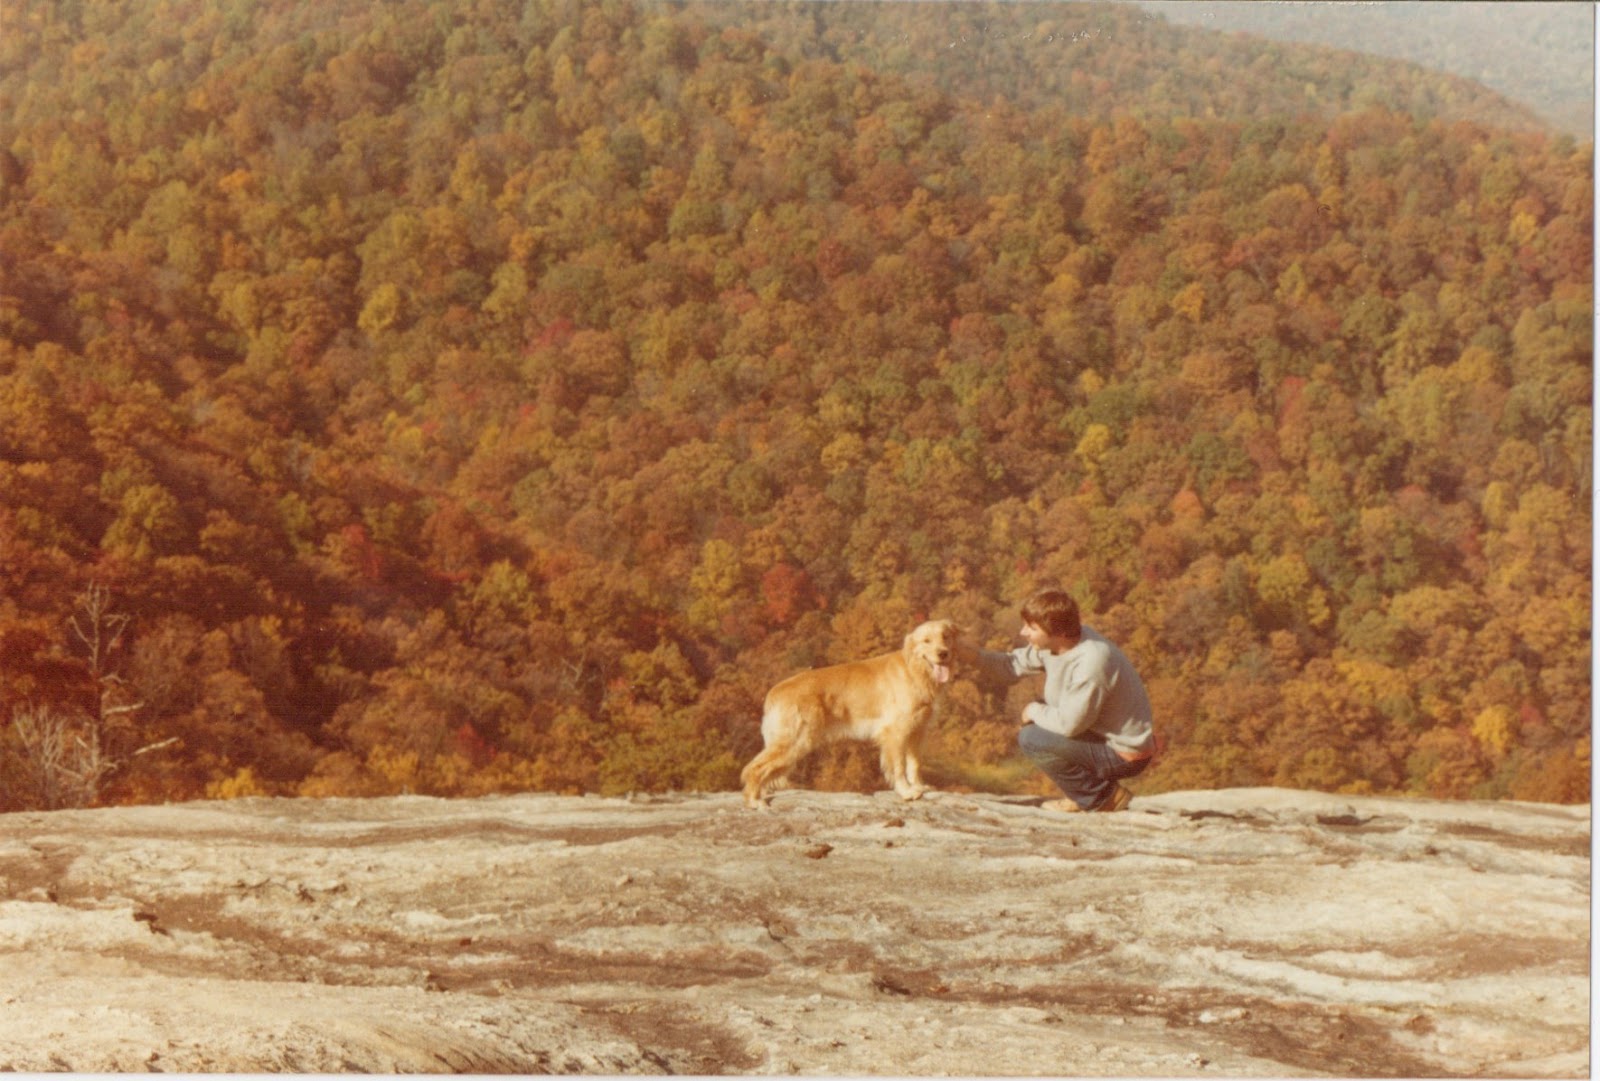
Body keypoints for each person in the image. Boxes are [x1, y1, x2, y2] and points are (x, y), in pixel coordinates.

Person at [965, 588, 1156, 813]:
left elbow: (1069, 725)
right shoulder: (1054, 645)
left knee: (1032, 737)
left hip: (1125, 754)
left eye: (1032, 628)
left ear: (1059, 633)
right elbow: (1011, 666)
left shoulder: (1091, 662)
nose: (1023, 632)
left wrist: (1033, 710)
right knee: (1041, 725)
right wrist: (971, 656)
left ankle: (1101, 797)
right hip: (1099, 734)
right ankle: (1083, 795)